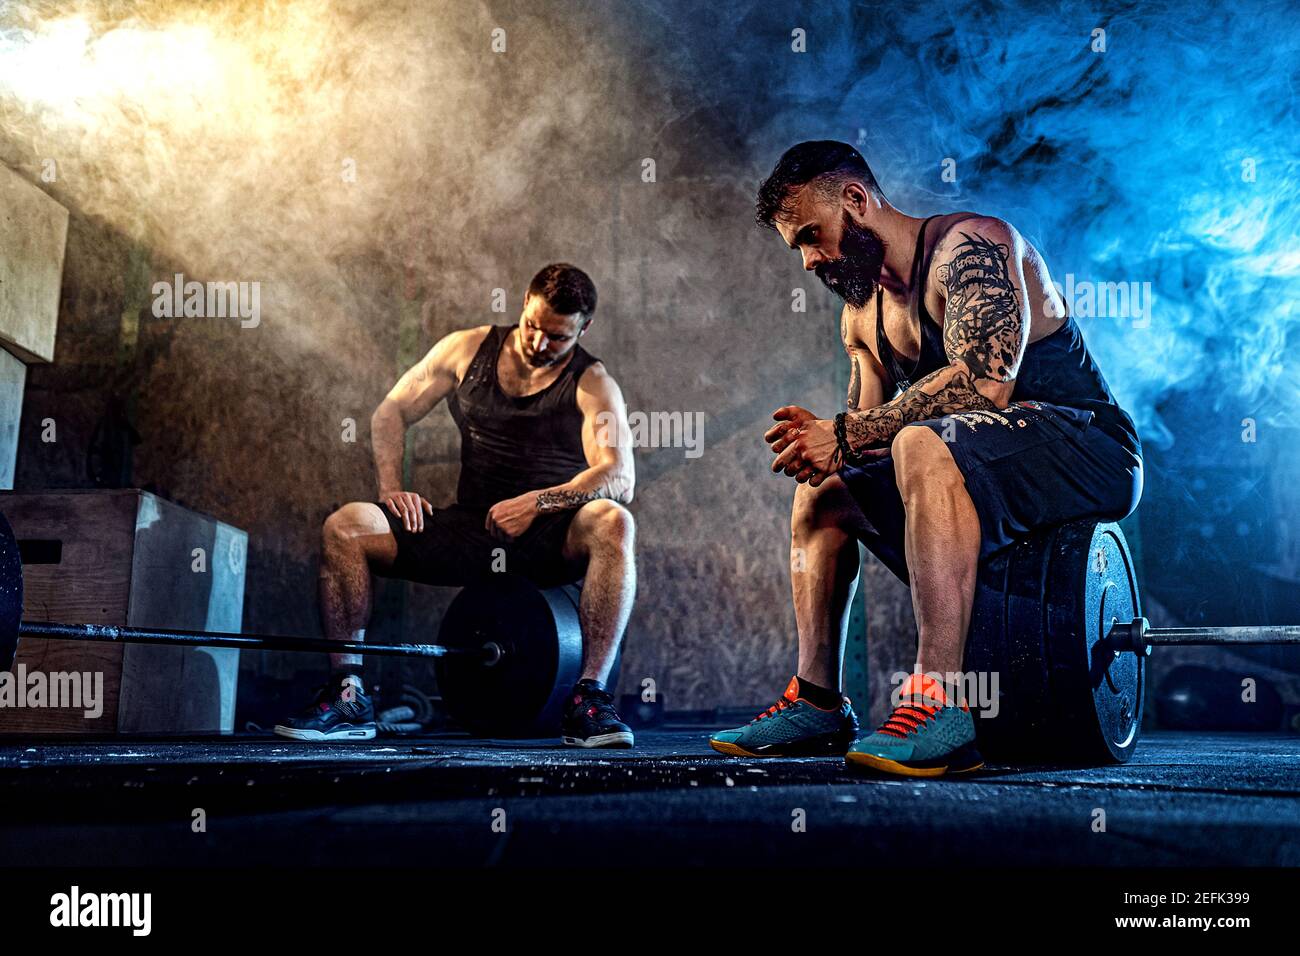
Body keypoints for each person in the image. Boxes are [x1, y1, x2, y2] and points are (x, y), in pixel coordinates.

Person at [710, 141, 1142, 775]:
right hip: (981, 468)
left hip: (1090, 448)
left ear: (856, 200)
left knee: (920, 441)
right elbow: (864, 439)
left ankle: (938, 699)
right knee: (826, 496)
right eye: (796, 247)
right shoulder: (861, 317)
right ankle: (819, 699)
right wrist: (826, 449)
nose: (807, 262)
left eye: (811, 235)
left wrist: (847, 432)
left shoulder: (972, 247)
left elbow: (986, 383)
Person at [277, 263, 637, 747]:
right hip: (472, 528)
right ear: (523, 306)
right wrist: (389, 487)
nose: (539, 344)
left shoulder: (592, 381)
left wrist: (537, 502)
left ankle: (588, 700)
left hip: (549, 536)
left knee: (613, 520)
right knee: (346, 525)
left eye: (557, 337)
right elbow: (391, 411)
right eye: (533, 327)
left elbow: (619, 475)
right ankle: (348, 695)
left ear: (583, 329)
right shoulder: (467, 348)